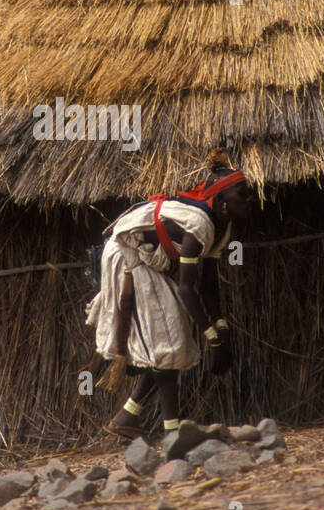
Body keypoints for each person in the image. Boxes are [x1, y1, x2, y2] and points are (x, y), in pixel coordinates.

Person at [87, 148, 250, 439]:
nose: (249, 200)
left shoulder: (222, 228)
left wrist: (221, 329)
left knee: (169, 338)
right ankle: (173, 435)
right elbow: (187, 289)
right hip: (126, 253)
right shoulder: (199, 225)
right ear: (222, 199)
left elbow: (209, 286)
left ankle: (127, 416)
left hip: (146, 256)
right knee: (168, 337)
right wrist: (212, 340)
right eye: (242, 193)